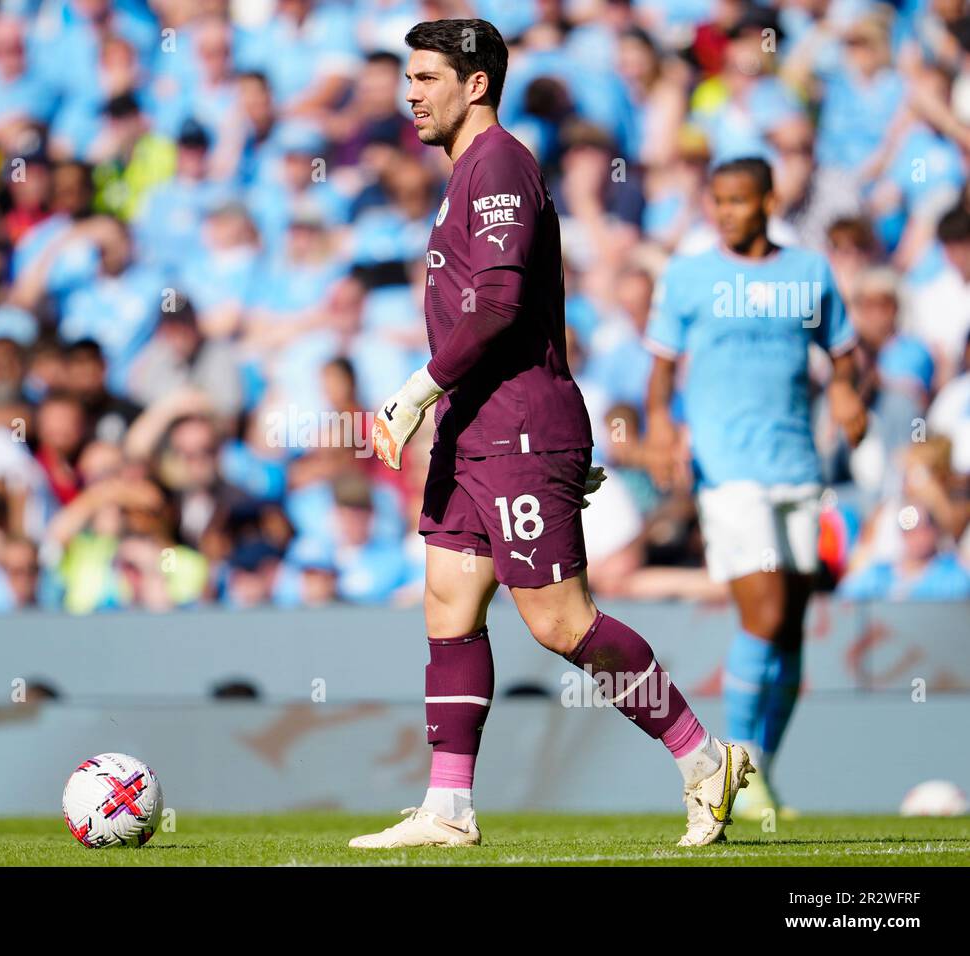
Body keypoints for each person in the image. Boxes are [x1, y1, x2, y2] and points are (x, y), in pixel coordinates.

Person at [352, 19, 744, 851]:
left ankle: (703, 757)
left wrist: (415, 394)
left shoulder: (500, 165)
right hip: (475, 431)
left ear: (477, 83)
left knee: (562, 623)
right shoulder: (465, 175)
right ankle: (448, 809)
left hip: (518, 428)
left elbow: (496, 305)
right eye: (408, 77)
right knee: (449, 606)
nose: (411, 94)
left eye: (426, 78)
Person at [644, 156, 867, 821]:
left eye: (739, 201)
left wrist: (850, 397)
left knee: (793, 627)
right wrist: (659, 428)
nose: (726, 212)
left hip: (797, 466)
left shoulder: (809, 273)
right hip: (727, 470)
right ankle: (733, 763)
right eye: (718, 201)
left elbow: (846, 355)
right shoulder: (688, 279)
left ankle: (758, 774)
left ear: (768, 202)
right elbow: (660, 376)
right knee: (763, 613)